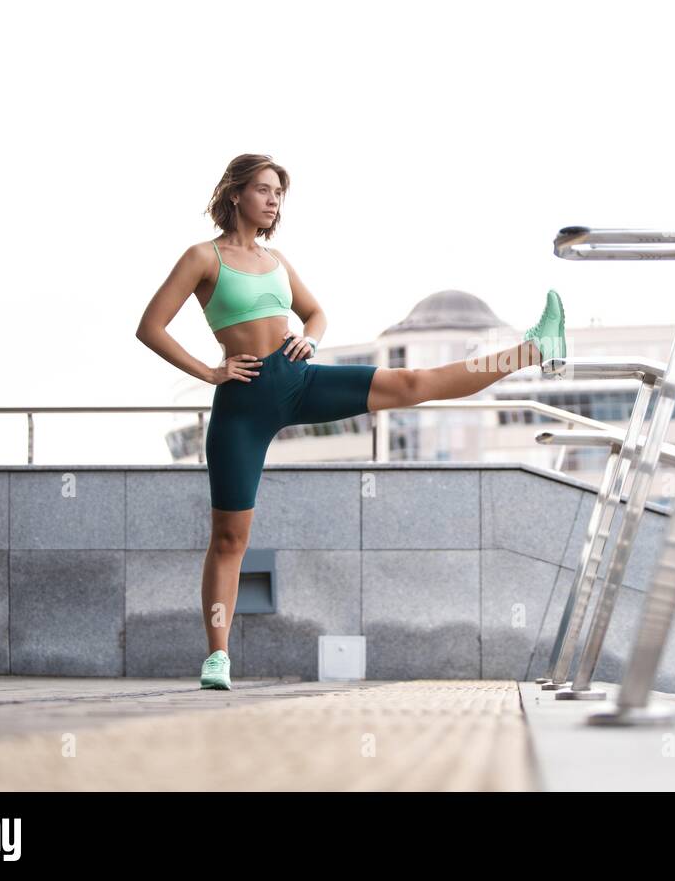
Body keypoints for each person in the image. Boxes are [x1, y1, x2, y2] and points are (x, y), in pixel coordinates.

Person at [134, 153, 567, 691]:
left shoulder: (278, 262)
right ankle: (217, 657)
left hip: (298, 379)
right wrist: (211, 371)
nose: (273, 201)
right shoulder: (203, 258)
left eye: (279, 193)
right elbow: (150, 327)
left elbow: (315, 312)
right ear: (236, 194)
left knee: (412, 384)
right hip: (242, 403)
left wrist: (310, 338)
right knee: (228, 538)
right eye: (265, 190)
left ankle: (531, 349)